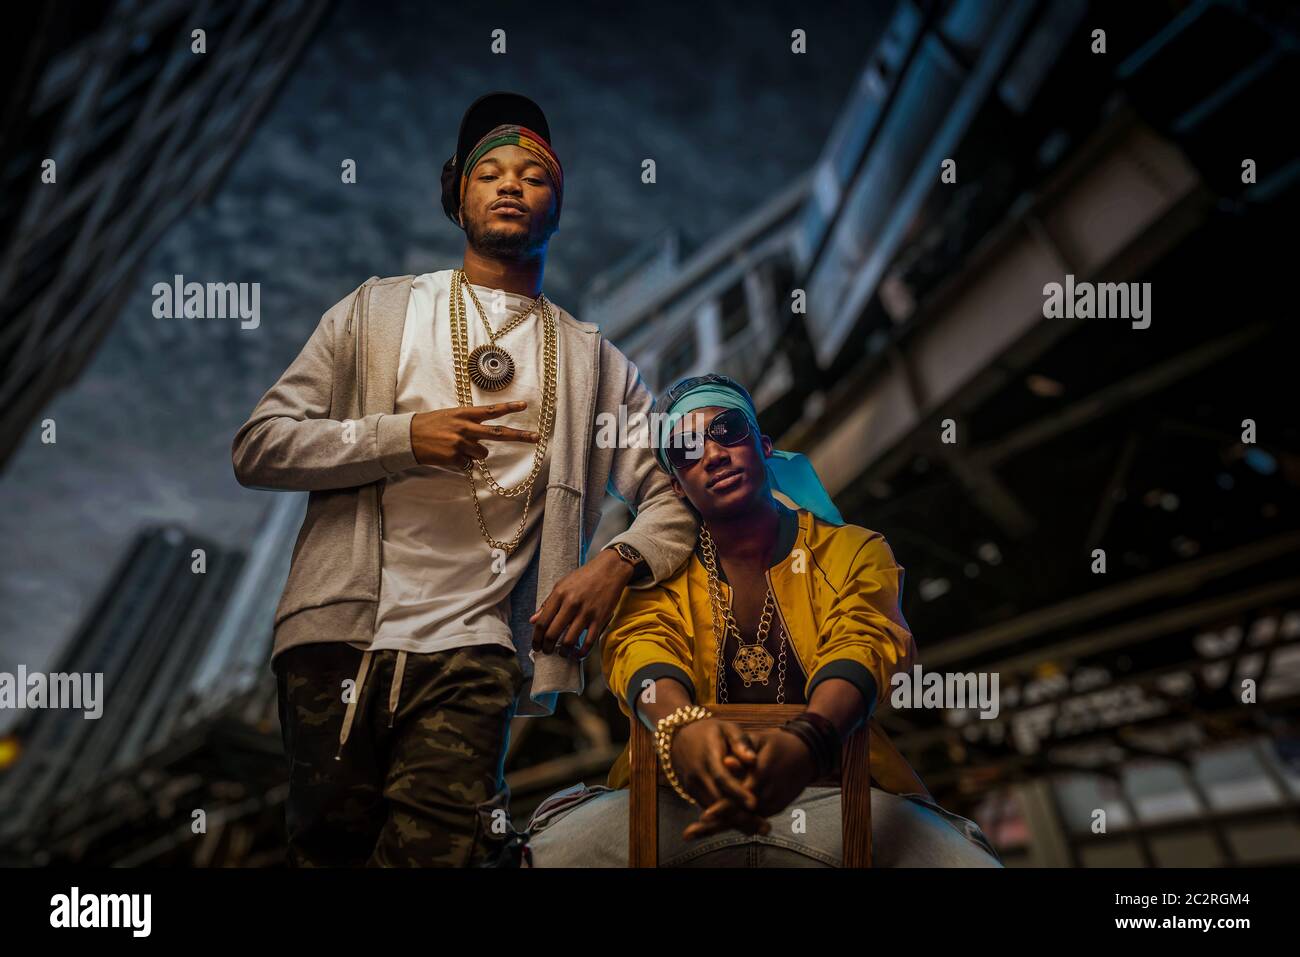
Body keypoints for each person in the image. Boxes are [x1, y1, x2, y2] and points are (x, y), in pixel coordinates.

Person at [231, 91, 695, 866]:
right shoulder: (375, 312)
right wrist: (402, 437)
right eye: (490, 173)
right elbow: (260, 446)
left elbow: (670, 498)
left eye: (534, 176)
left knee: (439, 853)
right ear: (459, 196)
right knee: (328, 853)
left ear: (556, 204)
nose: (511, 185)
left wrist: (616, 563)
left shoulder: (595, 363)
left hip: (476, 649)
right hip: (336, 641)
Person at [526, 374, 1001, 867]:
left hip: (835, 792)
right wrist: (682, 733)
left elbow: (868, 643)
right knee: (536, 857)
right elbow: (641, 652)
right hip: (673, 799)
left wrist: (809, 741)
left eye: (729, 430)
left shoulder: (853, 551)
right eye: (687, 450)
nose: (713, 454)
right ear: (676, 486)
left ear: (764, 445)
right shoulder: (654, 576)